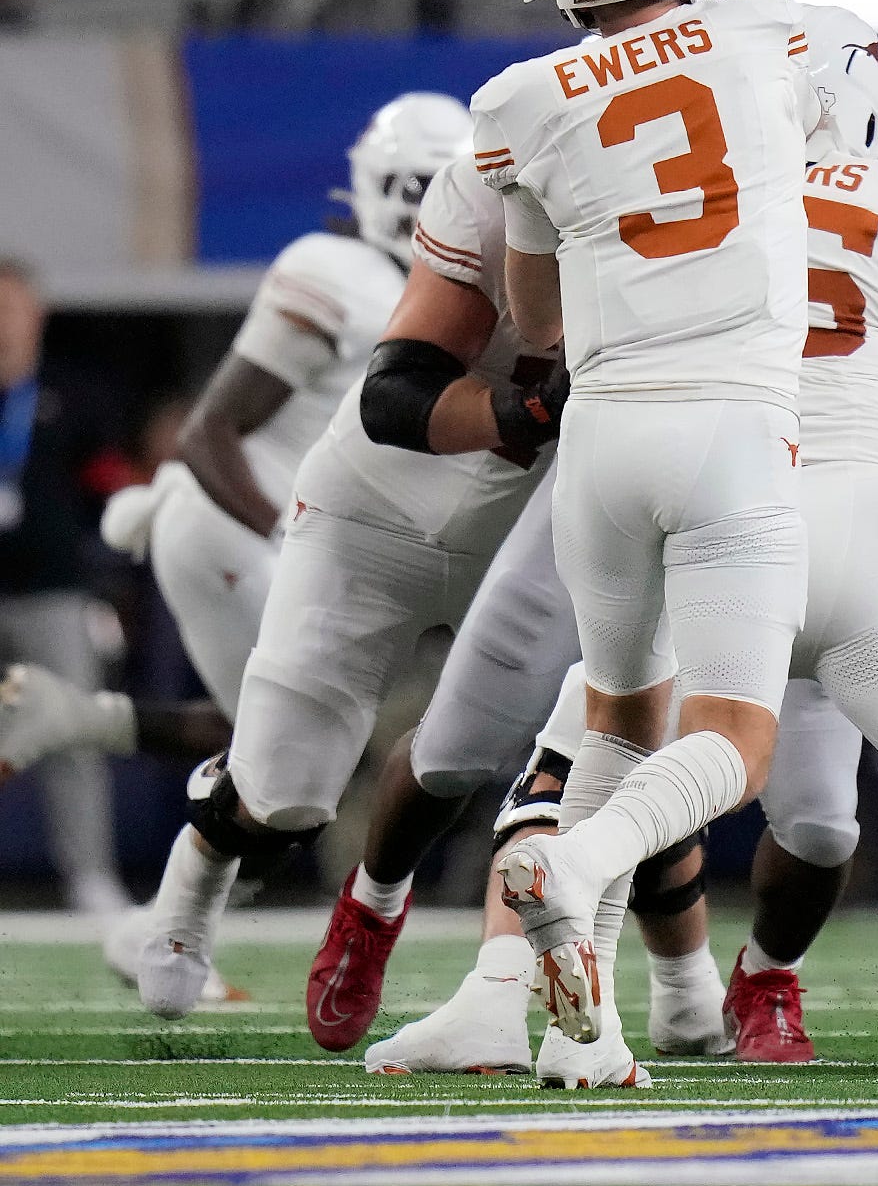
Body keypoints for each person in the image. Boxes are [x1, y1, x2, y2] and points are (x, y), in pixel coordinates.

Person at [360, 0, 878, 1076]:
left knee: (587, 756)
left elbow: (539, 318)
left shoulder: (668, 185)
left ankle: (502, 992)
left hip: (716, 505)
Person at [467, 0, 816, 1056]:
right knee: (735, 736)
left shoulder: (516, 100)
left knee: (617, 720)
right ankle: (583, 856)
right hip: (732, 421)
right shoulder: (770, 37)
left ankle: (582, 1026)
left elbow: (533, 318)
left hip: (604, 434)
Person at [124, 126, 566, 1022]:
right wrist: (526, 411)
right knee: (286, 794)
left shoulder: (670, 232)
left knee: (484, 756)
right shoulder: (452, 212)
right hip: (371, 510)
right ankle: (196, 875)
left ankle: (401, 923)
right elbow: (394, 398)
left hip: (518, 533)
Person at [64, 96, 468, 744]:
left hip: (287, 528)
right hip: (233, 521)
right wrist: (292, 540)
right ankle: (84, 724)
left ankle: (78, 721)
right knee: (297, 752)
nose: (428, 204)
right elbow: (206, 433)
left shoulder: (441, 298)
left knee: (276, 750)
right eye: (418, 185)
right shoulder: (337, 272)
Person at [0, 259, 126, 918]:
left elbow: (109, 485)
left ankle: (90, 874)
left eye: (11, 309)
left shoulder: (72, 394)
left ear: (36, 315)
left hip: (53, 592)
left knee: (73, 732)